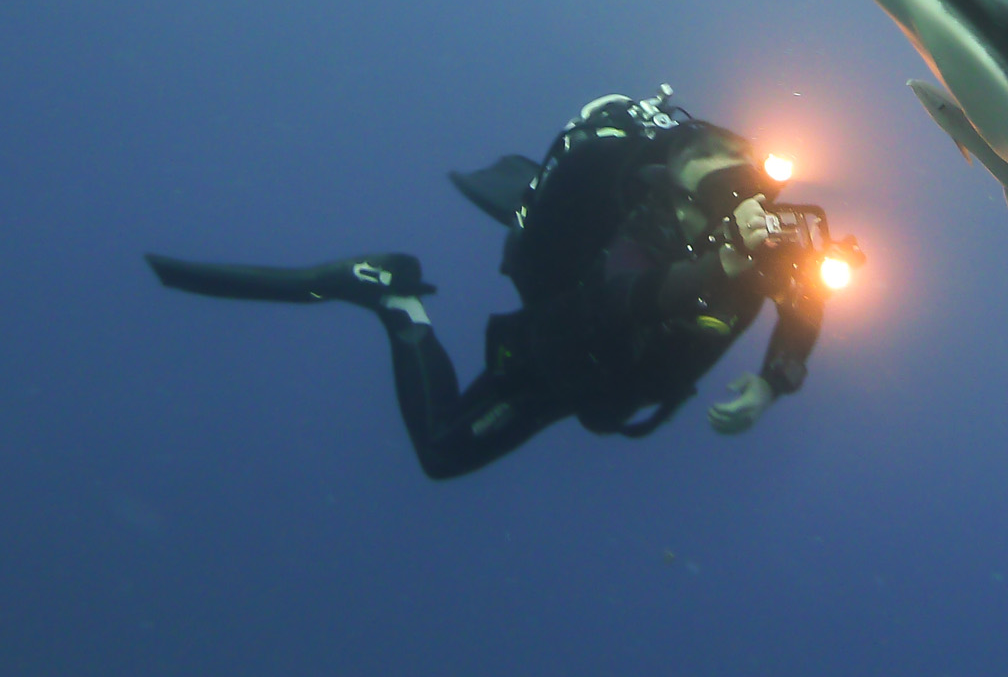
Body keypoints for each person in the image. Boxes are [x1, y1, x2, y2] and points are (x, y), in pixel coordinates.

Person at [147, 89, 848, 479]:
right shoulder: (641, 220)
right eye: (714, 155)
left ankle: (393, 298)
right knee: (443, 453)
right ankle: (392, 299)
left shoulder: (769, 243)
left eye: (744, 158)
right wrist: (717, 268)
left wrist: (771, 383)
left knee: (450, 456)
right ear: (677, 166)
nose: (734, 170)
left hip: (599, 390)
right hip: (549, 366)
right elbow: (609, 298)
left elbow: (806, 299)